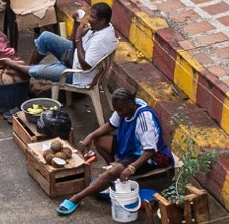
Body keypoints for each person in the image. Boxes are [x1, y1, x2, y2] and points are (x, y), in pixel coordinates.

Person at [55, 87, 172, 215]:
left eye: (121, 110)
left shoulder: (144, 118)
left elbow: (149, 150)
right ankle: (113, 177)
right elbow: (110, 125)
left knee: (115, 170)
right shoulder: (124, 107)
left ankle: (76, 198)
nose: (119, 113)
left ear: (131, 104)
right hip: (130, 147)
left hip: (149, 157)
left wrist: (131, 168)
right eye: (117, 110)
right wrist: (91, 135)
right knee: (99, 140)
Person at [20, 0, 116, 88]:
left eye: (92, 17)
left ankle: (18, 68)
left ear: (102, 20)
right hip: (74, 57)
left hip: (79, 75)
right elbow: (73, 42)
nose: (89, 19)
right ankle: (26, 74)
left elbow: (85, 66)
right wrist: (76, 23)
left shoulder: (101, 40)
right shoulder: (101, 26)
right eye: (90, 15)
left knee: (38, 71)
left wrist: (79, 39)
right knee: (45, 37)